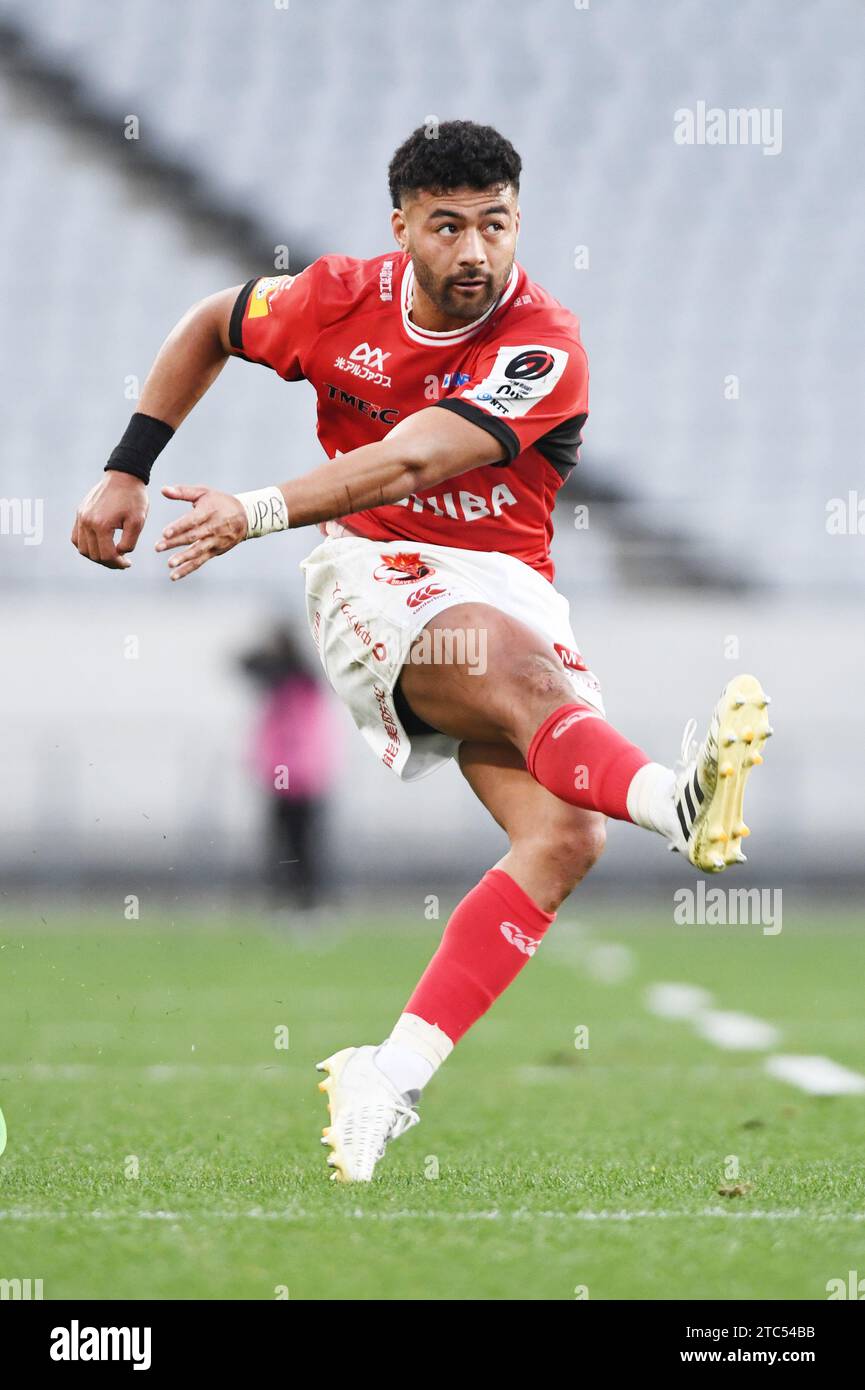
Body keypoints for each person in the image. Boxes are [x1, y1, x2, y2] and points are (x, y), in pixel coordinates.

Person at [71, 121, 772, 1183]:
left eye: (495, 223)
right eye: (447, 227)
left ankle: (387, 1072)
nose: (474, 252)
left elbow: (409, 458)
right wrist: (128, 467)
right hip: (374, 573)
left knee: (565, 837)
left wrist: (251, 507)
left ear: (518, 221)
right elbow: (213, 322)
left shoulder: (544, 344)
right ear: (400, 227)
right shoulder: (331, 299)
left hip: (505, 582)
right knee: (513, 672)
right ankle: (680, 803)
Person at [240, 625, 336, 911]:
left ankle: (307, 903)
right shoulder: (277, 686)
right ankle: (283, 901)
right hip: (282, 781)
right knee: (280, 845)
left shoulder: (304, 684)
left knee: (304, 846)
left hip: (304, 780)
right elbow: (245, 662)